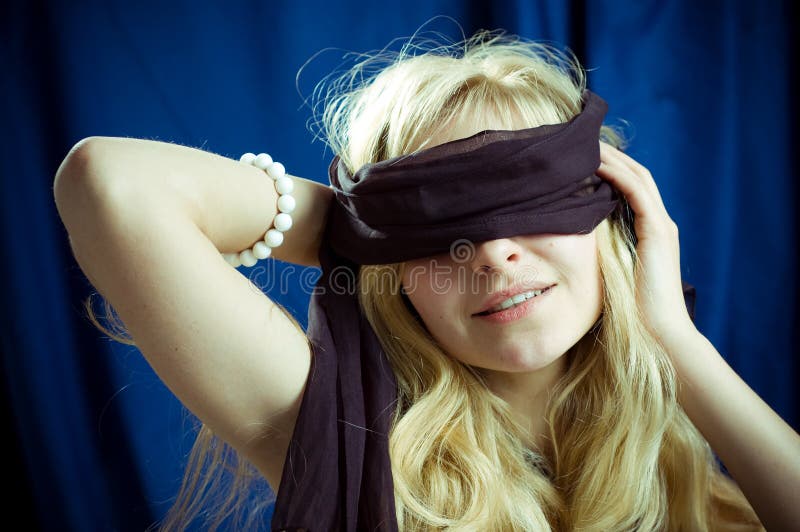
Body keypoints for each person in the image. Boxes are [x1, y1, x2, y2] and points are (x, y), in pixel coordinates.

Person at [53, 29, 799, 531]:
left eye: (527, 202)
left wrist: (674, 342)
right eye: (438, 231)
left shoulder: (697, 488)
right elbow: (109, 182)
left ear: (613, 220)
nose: (491, 252)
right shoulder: (349, 451)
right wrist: (364, 225)